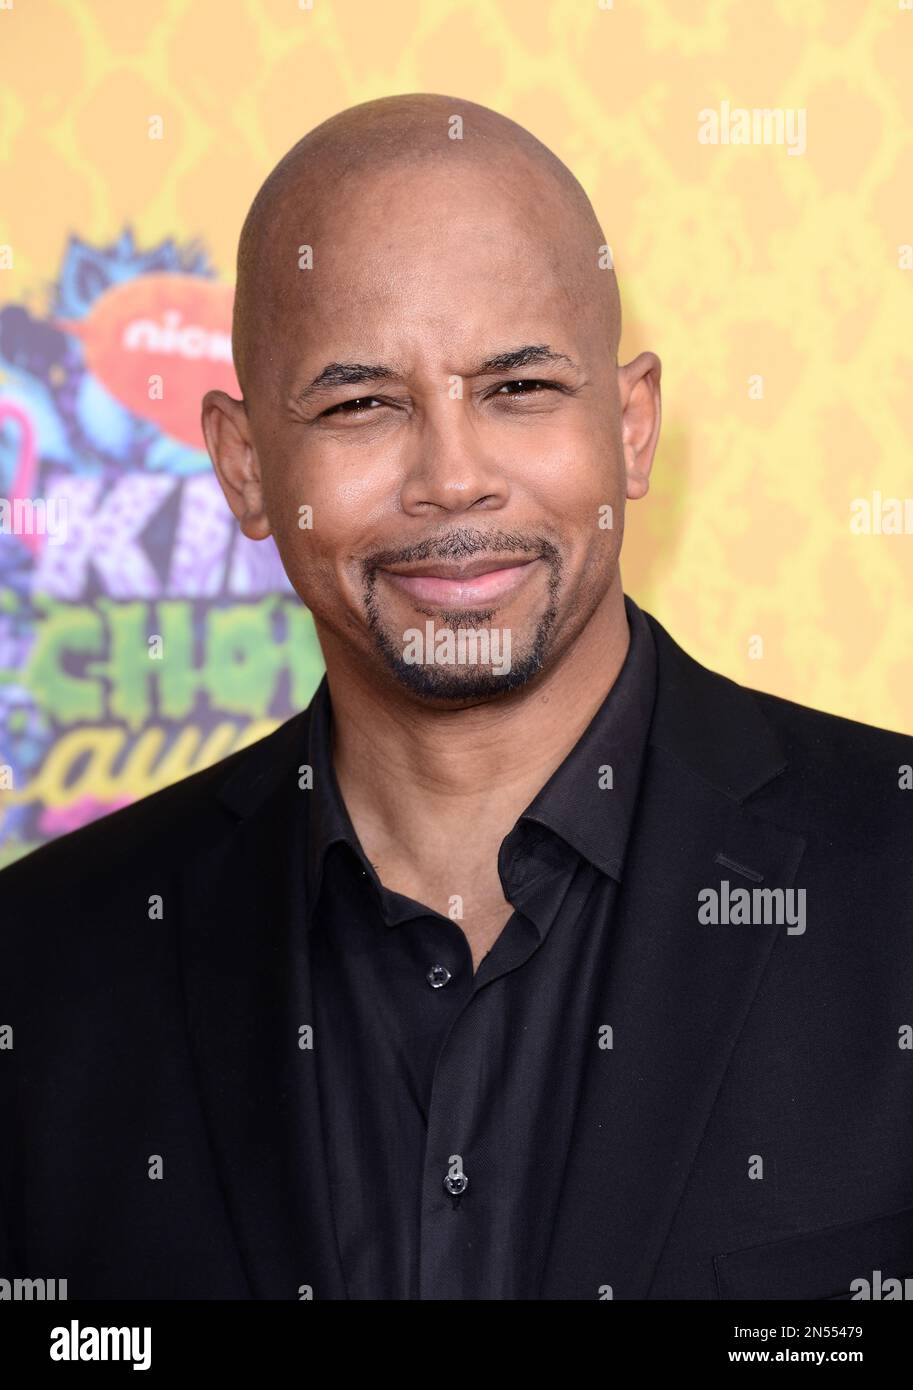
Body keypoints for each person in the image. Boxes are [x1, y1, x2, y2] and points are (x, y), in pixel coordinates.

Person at [2, 93, 912, 1302]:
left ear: (631, 427)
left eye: (520, 387)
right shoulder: (45, 968)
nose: (452, 477)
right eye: (360, 403)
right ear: (242, 465)